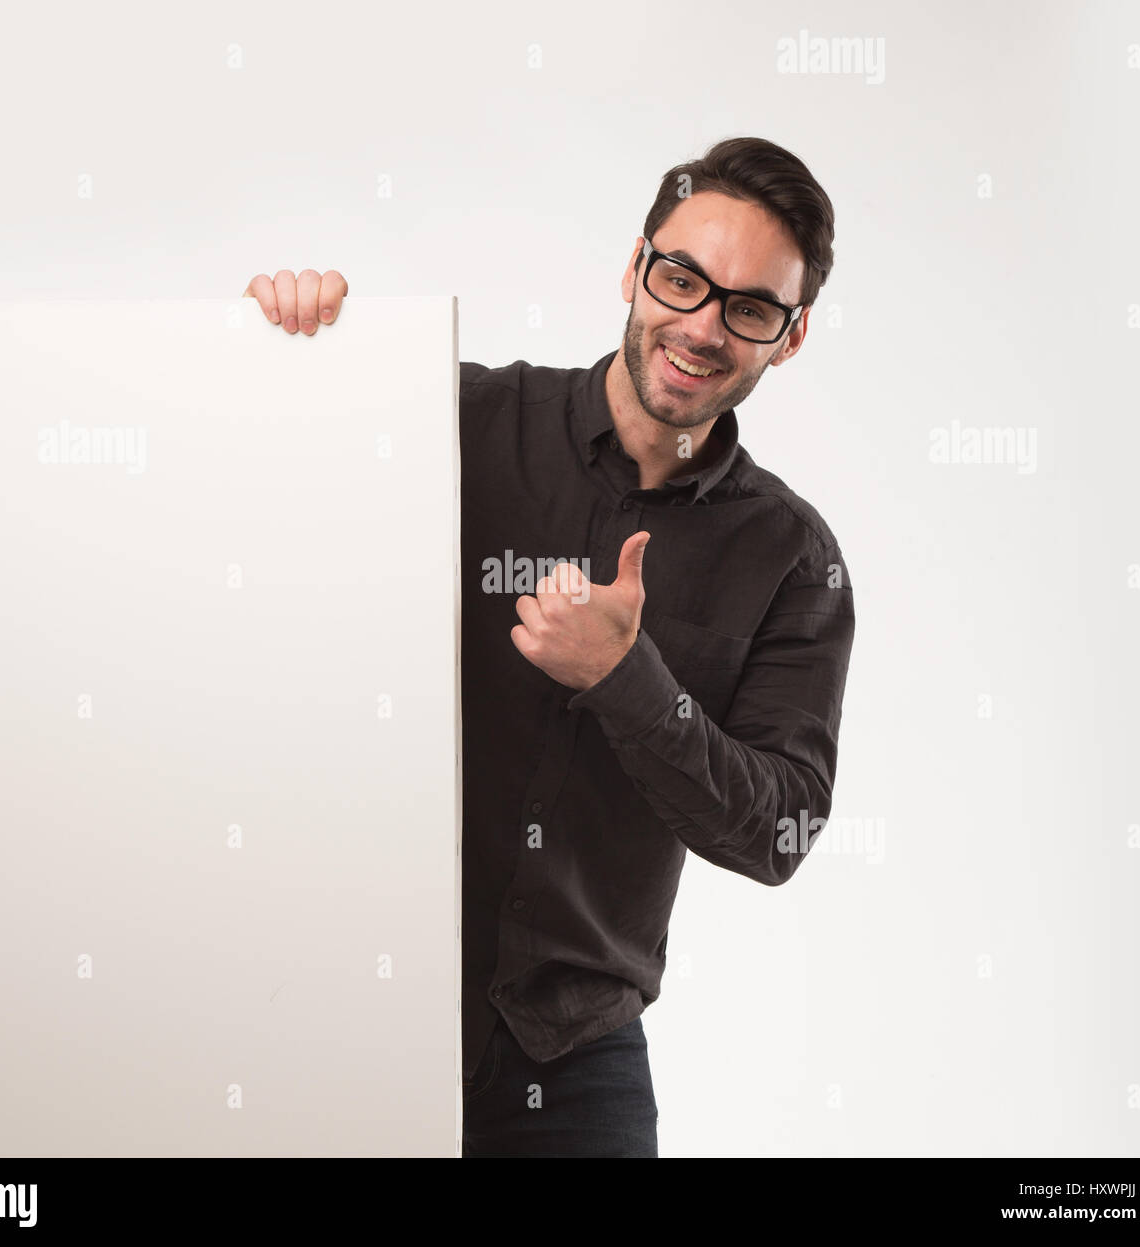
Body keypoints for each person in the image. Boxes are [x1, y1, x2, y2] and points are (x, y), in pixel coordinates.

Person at [243, 137, 855, 1158]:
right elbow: (246, 502)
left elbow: (778, 832)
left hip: (573, 1061)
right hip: (341, 1019)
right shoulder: (452, 418)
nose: (701, 326)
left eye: (748, 307)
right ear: (633, 268)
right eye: (681, 278)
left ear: (787, 338)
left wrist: (629, 680)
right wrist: (289, 339)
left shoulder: (791, 558)